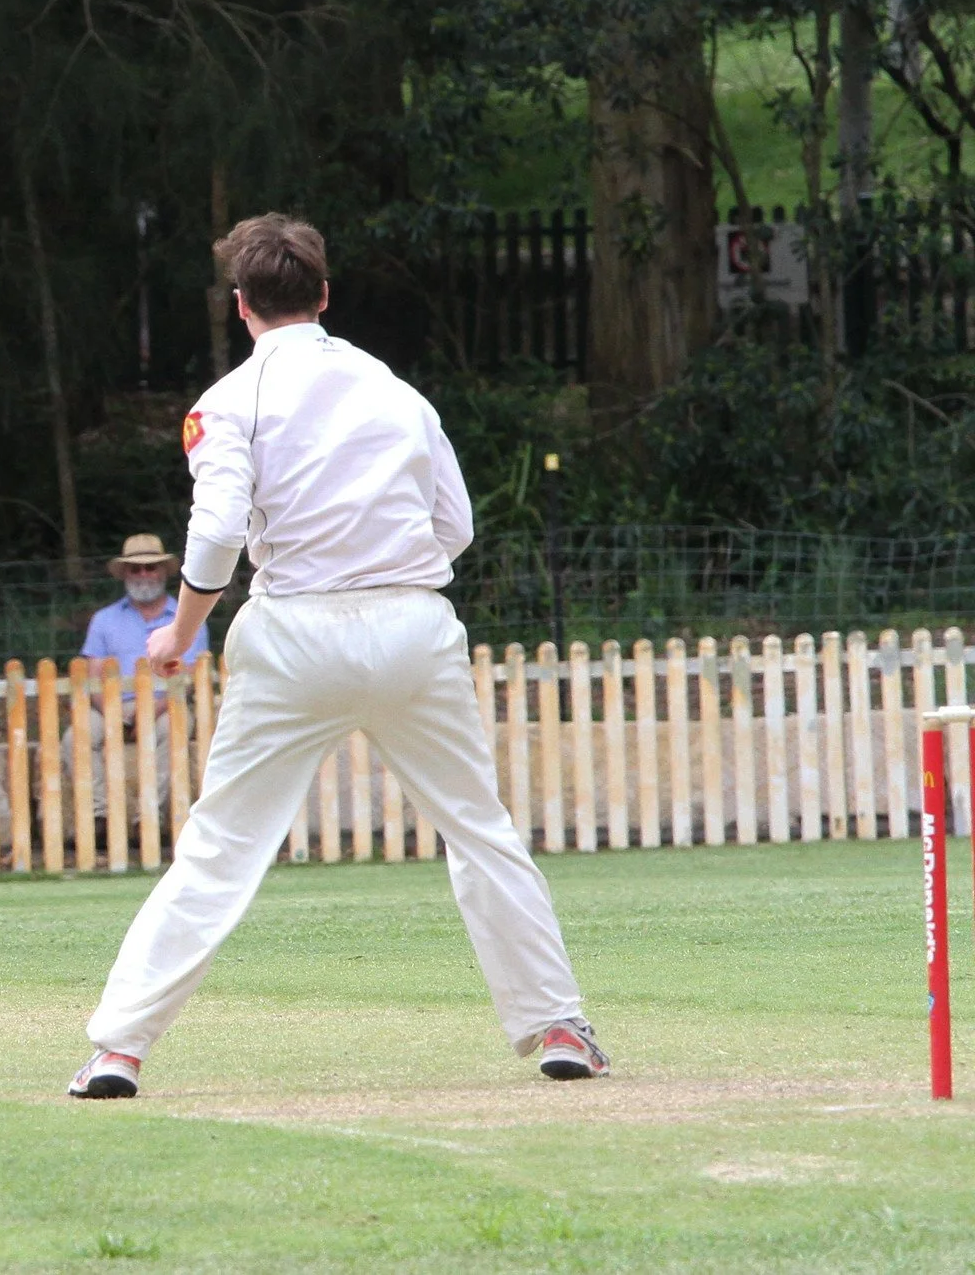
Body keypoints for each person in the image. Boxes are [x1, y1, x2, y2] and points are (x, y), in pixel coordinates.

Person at [69, 214, 609, 1099]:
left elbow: (215, 534)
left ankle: (119, 1048)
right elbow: (457, 528)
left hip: (295, 633)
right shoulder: (399, 393)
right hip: (411, 628)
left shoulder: (227, 401)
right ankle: (558, 1024)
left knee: (220, 846)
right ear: (324, 294)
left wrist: (180, 630)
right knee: (479, 829)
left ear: (241, 307)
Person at [66, 534, 209, 823]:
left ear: (163, 572)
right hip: (111, 706)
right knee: (75, 737)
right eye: (135, 569)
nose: (144, 574)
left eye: (150, 567)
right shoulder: (104, 620)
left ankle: (149, 817)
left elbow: (190, 677)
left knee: (173, 728)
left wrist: (149, 711)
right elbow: (93, 678)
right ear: (125, 575)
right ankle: (101, 817)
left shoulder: (187, 617)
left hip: (165, 705)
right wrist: (114, 715)